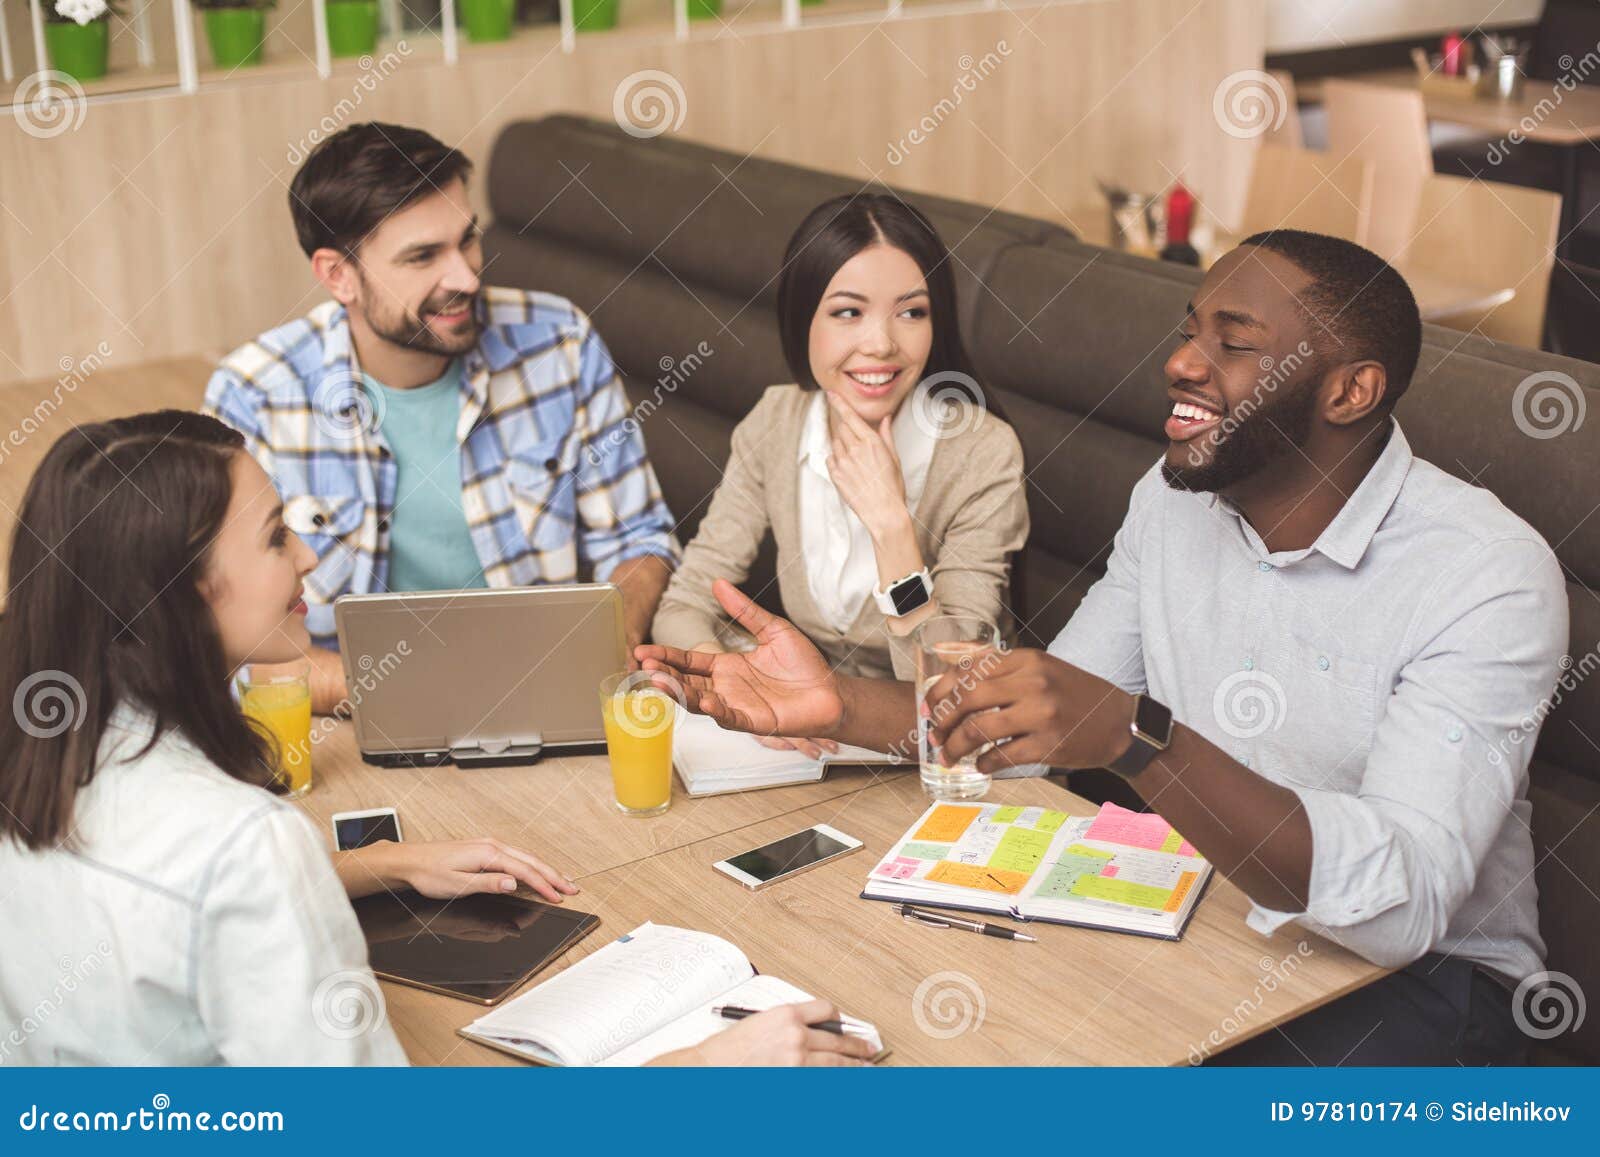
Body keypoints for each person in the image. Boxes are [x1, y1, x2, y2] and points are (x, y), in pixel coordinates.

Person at [637, 231, 1568, 1065]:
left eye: (1232, 344)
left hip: (1432, 995)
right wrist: (839, 705)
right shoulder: (1171, 504)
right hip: (1210, 915)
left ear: (1350, 389)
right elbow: (1037, 718)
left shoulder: (1486, 574)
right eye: (1188, 330)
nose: (1181, 362)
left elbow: (1404, 907)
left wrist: (1136, 737)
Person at [0, 411, 872, 1068]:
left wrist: (358, 869)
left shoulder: (35, 752)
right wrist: (697, 1075)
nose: (308, 558)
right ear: (183, 595)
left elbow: (159, 907)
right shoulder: (240, 848)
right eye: (275, 537)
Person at [204, 123, 679, 715]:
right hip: (347, 718)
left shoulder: (559, 342)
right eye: (423, 256)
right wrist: (408, 696)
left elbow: (640, 540)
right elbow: (220, 632)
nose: (466, 278)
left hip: (543, 696)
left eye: (467, 240)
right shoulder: (255, 393)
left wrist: (607, 641)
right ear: (338, 276)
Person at [651, 194, 1028, 758]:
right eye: (848, 311)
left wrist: (892, 528)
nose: (880, 343)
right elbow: (682, 605)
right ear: (803, 321)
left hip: (950, 757)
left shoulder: (983, 452)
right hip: (817, 748)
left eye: (912, 312)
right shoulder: (776, 422)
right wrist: (748, 686)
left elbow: (955, 688)